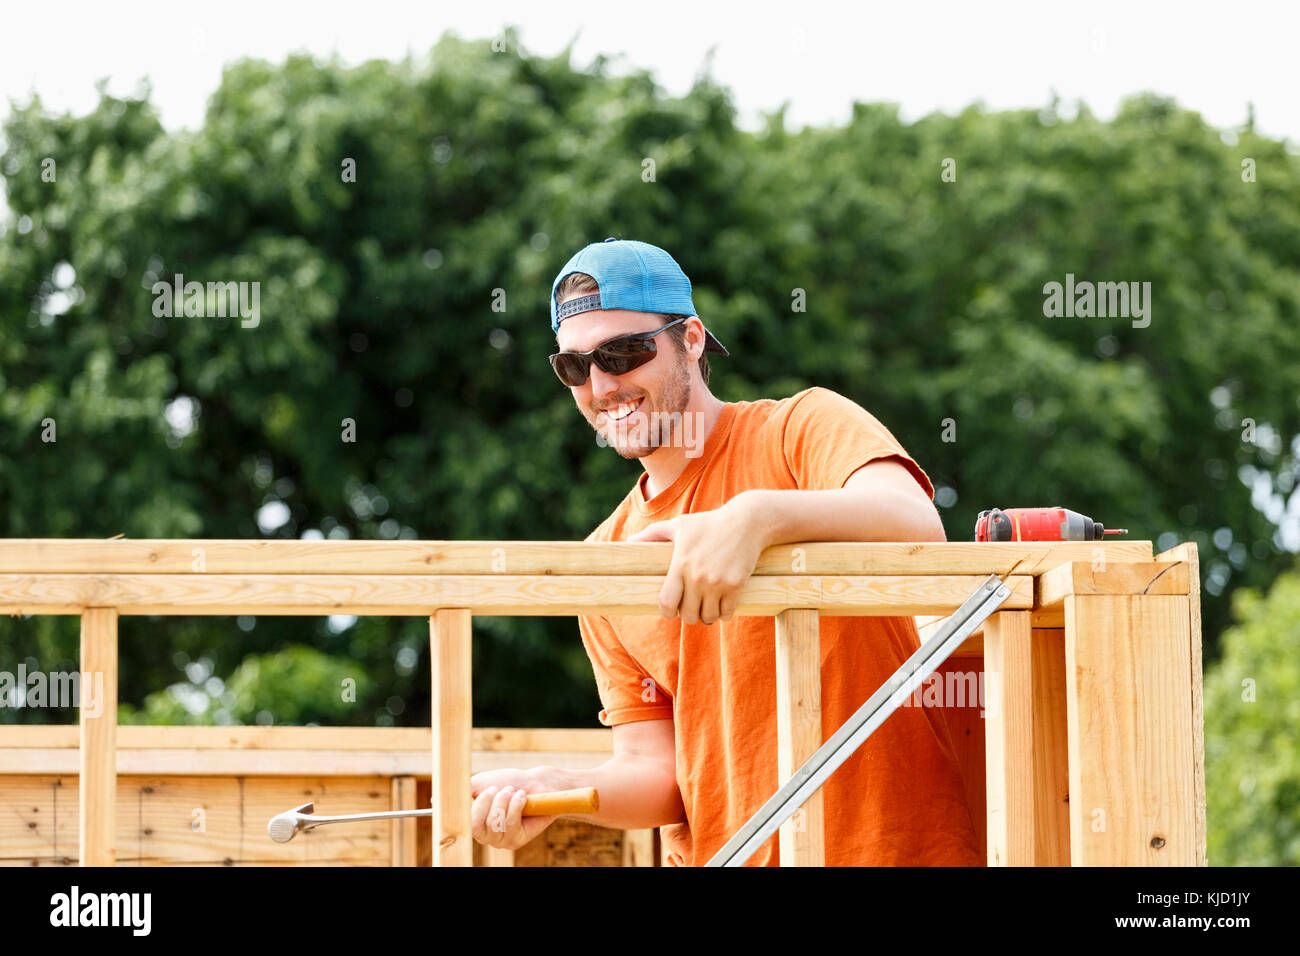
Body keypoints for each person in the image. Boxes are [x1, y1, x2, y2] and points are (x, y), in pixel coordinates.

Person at [469, 238, 982, 866]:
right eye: (575, 366)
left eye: (624, 352)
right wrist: (561, 794)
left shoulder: (799, 430)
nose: (603, 384)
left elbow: (917, 524)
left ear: (690, 340)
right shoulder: (607, 556)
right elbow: (658, 774)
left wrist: (759, 517)